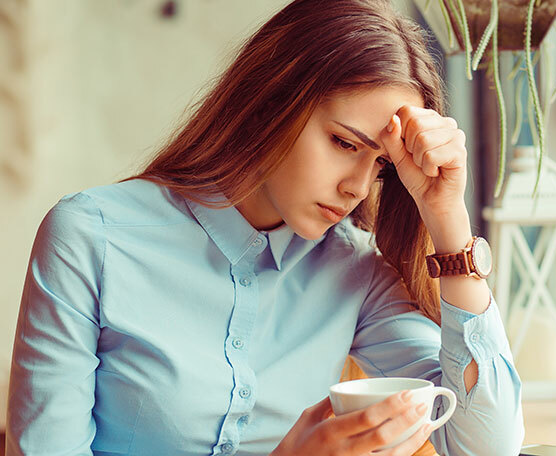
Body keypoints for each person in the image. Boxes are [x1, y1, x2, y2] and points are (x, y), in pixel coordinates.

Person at [5, 0, 524, 454]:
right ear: (272, 101)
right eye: (344, 144)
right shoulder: (90, 238)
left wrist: (448, 217)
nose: (359, 189)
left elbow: (486, 444)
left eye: (381, 166)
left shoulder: (356, 272)